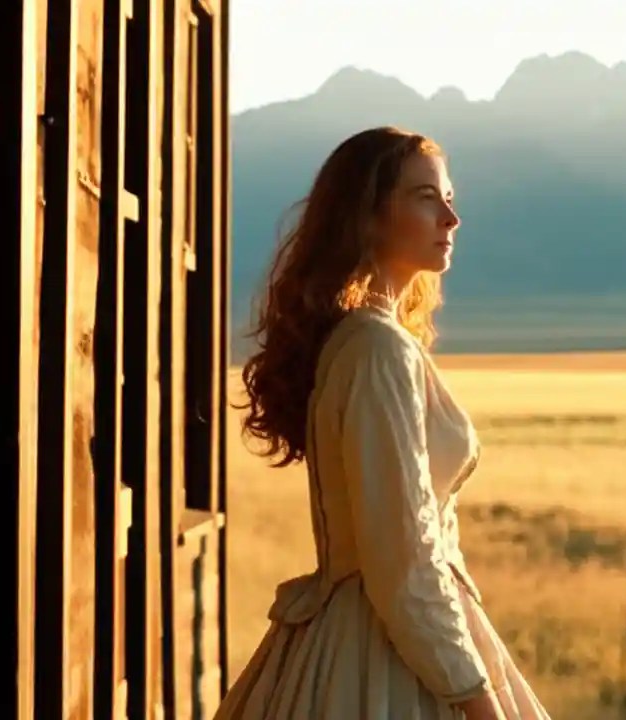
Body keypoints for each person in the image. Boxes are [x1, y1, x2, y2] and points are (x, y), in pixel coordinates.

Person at [218, 127, 550, 719]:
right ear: (368, 216)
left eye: (449, 197)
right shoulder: (376, 350)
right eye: (426, 197)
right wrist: (480, 704)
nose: (451, 218)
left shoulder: (370, 342)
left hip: (372, 636)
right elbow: (404, 558)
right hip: (379, 653)